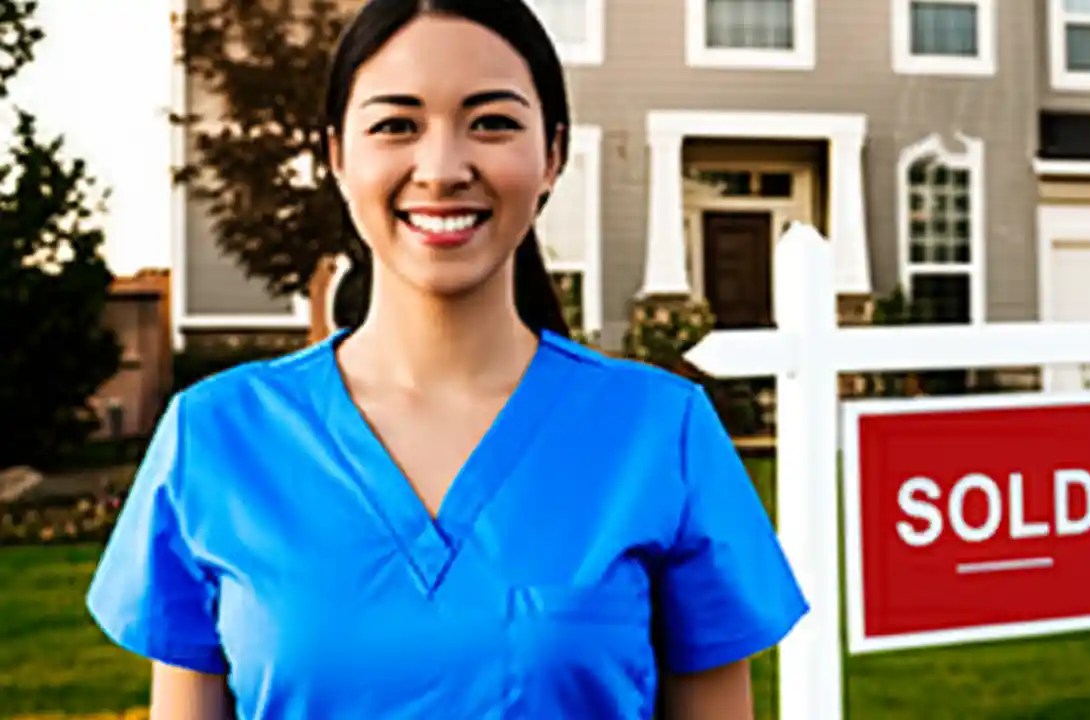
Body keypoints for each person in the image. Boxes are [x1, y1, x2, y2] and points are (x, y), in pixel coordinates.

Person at [85, 0, 809, 717]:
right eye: (396, 125)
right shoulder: (214, 437)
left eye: (492, 122)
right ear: (337, 155)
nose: (441, 168)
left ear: (552, 154)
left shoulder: (662, 432)